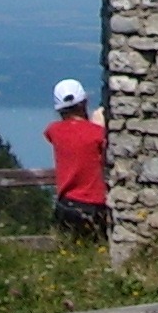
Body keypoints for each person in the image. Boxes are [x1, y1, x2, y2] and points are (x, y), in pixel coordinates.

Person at [44, 77, 109, 243]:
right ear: (84, 102)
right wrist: (99, 125)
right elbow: (98, 142)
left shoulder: (54, 131)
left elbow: (64, 133)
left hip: (66, 205)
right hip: (94, 205)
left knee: (68, 247)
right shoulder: (97, 133)